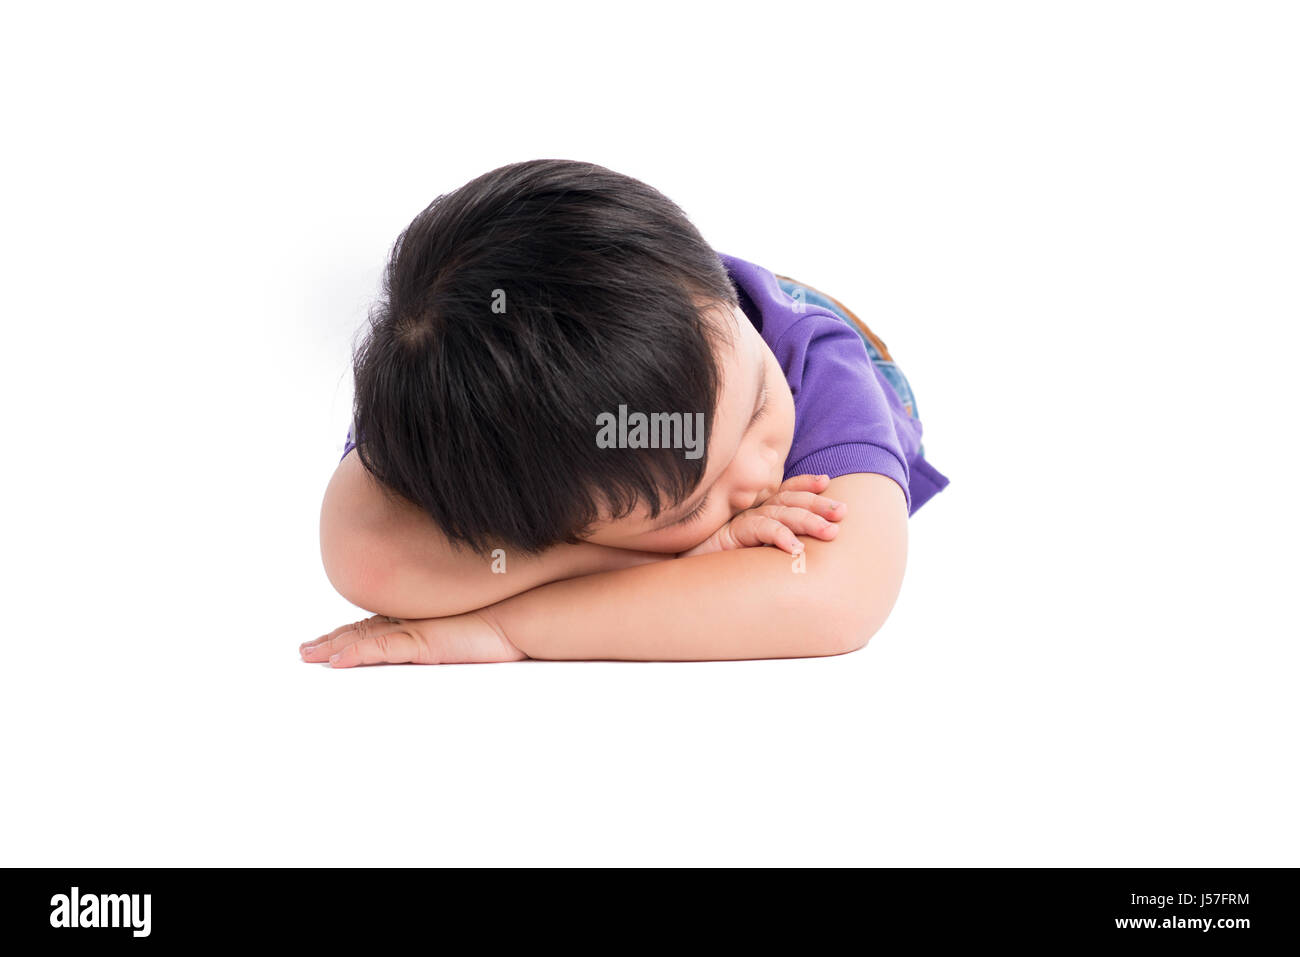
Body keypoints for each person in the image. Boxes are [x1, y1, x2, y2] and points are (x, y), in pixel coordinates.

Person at [303, 159, 949, 666]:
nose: (759, 477)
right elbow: (361, 548)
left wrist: (511, 623)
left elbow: (839, 595)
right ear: (556, 529)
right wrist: (662, 560)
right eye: (692, 508)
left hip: (809, 338)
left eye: (755, 410)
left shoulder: (804, 360)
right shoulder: (465, 403)